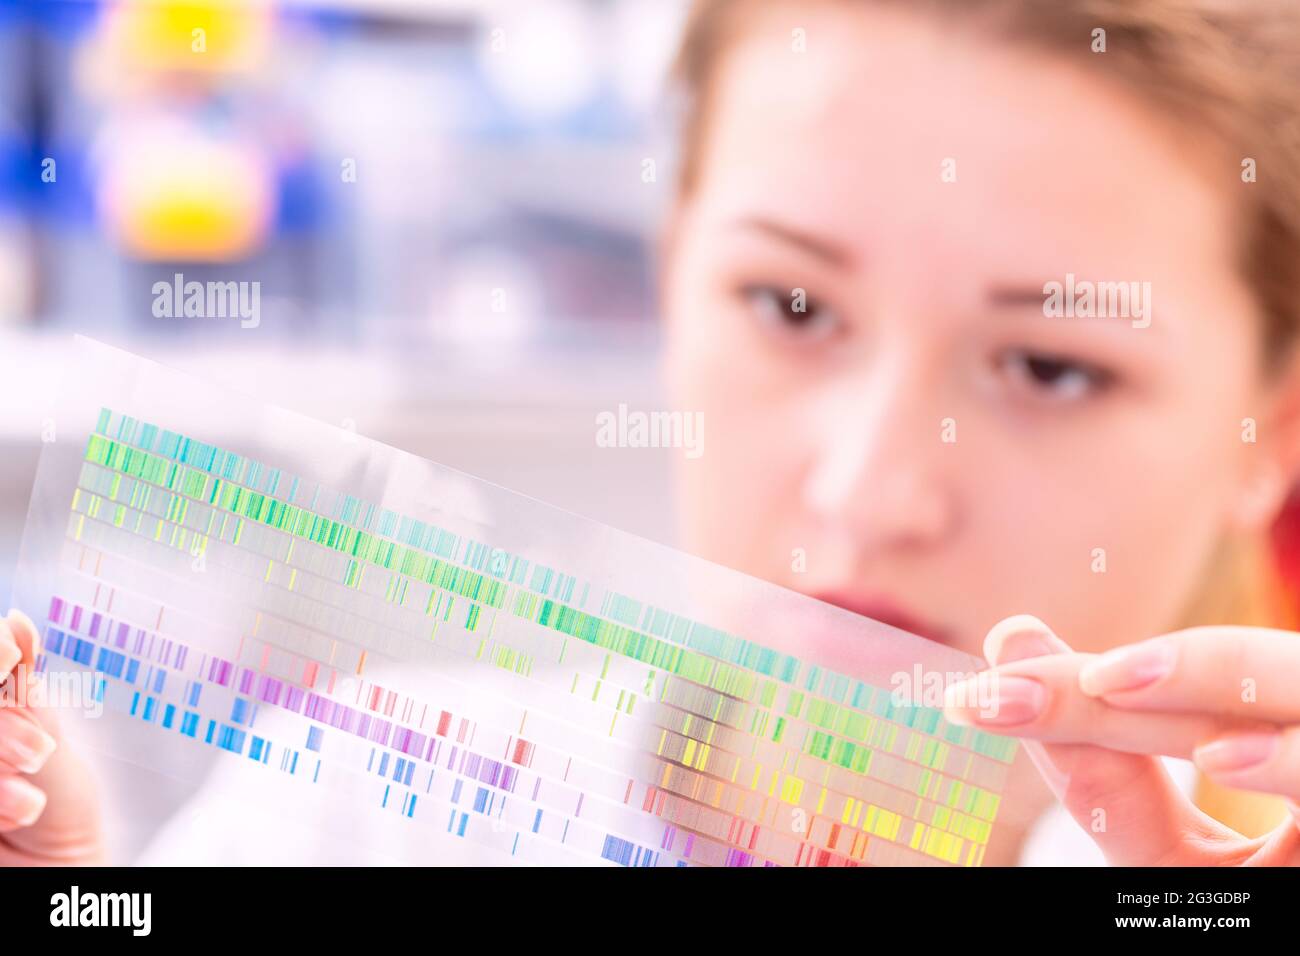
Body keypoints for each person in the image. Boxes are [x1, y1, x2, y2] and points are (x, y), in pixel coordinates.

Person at [4, 0, 1300, 865]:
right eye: (789, 305)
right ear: (673, 267)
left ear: (1272, 433)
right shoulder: (357, 808)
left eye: (1051, 367)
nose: (868, 491)